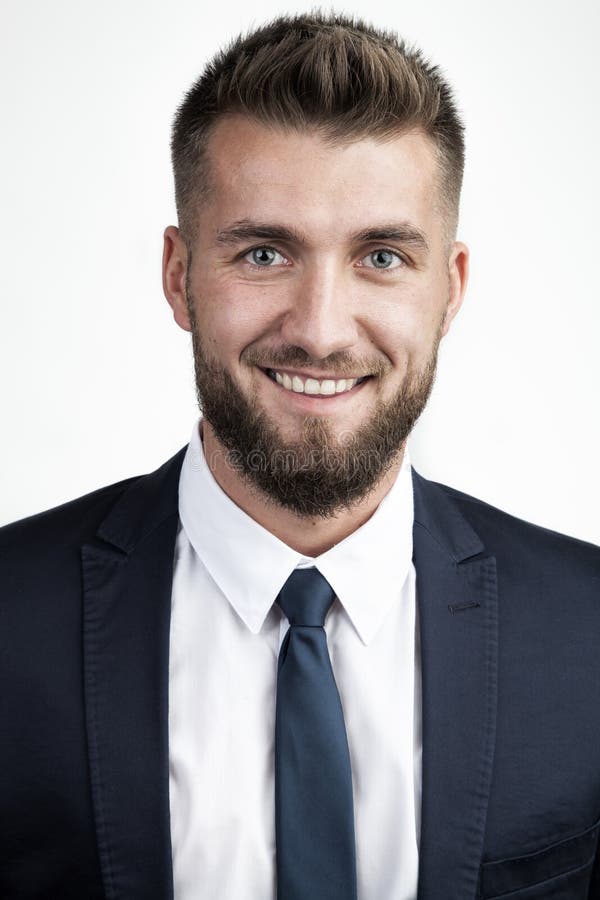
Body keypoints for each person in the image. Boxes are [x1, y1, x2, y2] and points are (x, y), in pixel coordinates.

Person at [1, 11, 599, 900]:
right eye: (266, 252)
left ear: (451, 290)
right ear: (178, 274)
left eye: (384, 256)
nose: (320, 330)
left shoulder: (587, 630)